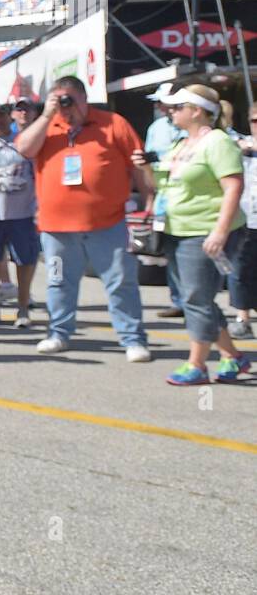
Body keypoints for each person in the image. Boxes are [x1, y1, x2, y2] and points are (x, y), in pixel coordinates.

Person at [14, 76, 154, 361]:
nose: (65, 107)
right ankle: (59, 333)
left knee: (120, 282)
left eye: (70, 100)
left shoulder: (113, 123)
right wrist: (46, 114)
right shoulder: (46, 126)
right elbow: (24, 149)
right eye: (59, 100)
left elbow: (138, 165)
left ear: (84, 99)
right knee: (58, 282)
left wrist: (149, 203)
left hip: (108, 223)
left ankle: (132, 339)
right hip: (56, 227)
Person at [133, 86, 247, 384]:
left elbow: (233, 187)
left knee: (195, 298)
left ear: (196, 110)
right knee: (197, 298)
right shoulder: (183, 144)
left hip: (203, 231)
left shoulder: (218, 142)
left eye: (177, 106)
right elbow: (160, 185)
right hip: (176, 228)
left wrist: (220, 232)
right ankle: (233, 356)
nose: (170, 111)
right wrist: (146, 167)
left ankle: (197, 364)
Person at [0, 104, 40, 328]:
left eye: (1, 116)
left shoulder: (25, 142)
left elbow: (39, 173)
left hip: (22, 214)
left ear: (8, 116)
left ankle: (23, 308)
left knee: (24, 261)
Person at [143, 83, 186, 319]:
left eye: (162, 102)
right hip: (163, 200)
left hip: (190, 199)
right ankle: (178, 300)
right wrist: (150, 200)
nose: (158, 106)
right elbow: (148, 166)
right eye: (157, 102)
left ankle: (195, 300)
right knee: (171, 251)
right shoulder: (156, 128)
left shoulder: (194, 129)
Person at [227, 115, 257, 339]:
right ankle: (242, 317)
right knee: (239, 270)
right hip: (246, 218)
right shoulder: (239, 144)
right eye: (254, 120)